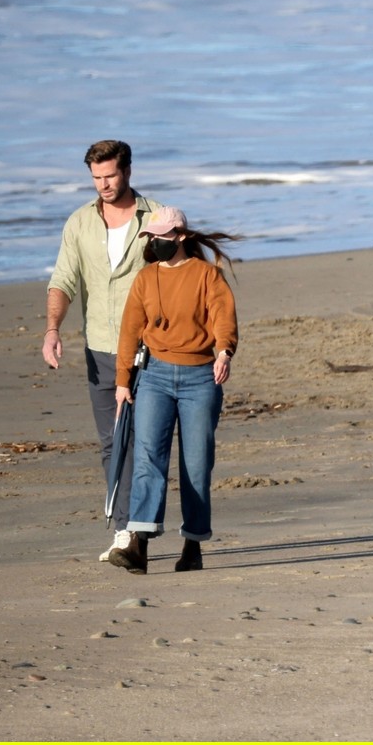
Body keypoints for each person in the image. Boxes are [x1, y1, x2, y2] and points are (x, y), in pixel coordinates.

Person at [43, 140, 163, 562]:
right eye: (96, 178)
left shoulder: (157, 217)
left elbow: (176, 275)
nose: (103, 185)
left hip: (149, 350)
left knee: (144, 442)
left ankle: (138, 531)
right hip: (99, 349)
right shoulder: (79, 223)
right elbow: (64, 279)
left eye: (110, 176)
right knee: (112, 442)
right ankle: (125, 531)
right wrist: (52, 329)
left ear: (127, 171)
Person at [108, 206, 240, 575]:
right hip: (154, 376)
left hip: (201, 378)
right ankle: (139, 544)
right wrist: (122, 382)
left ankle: (193, 546)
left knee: (196, 464)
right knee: (148, 457)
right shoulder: (146, 278)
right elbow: (129, 331)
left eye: (162, 237)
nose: (155, 243)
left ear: (180, 236)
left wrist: (224, 352)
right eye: (151, 237)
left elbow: (223, 316)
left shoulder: (206, 275)